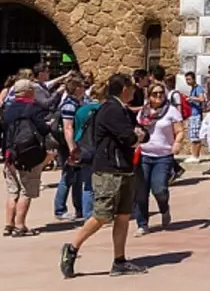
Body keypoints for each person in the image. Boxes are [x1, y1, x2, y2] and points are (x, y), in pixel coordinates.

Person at [61, 73, 149, 278]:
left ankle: (119, 260)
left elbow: (141, 133)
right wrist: (137, 135)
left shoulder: (122, 109)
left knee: (124, 216)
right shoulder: (111, 110)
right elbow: (129, 136)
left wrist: (139, 135)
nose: (135, 91)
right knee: (102, 215)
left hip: (124, 168)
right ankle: (72, 248)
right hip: (110, 170)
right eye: (132, 87)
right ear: (124, 89)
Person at [133, 82, 184, 235]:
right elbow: (137, 130)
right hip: (144, 155)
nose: (159, 96)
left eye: (161, 93)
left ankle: (164, 208)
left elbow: (180, 130)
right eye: (155, 94)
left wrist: (177, 143)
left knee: (159, 189)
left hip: (163, 156)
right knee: (141, 192)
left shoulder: (171, 111)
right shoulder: (143, 112)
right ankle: (142, 224)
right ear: (149, 96)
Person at [2, 78, 50, 237]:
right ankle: (20, 225)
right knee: (26, 191)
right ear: (29, 91)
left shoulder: (8, 109)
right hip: (28, 155)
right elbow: (43, 129)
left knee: (12, 191)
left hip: (10, 154)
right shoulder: (33, 108)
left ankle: (8, 224)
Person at [73, 78, 106, 228]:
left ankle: (87, 215)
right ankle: (99, 215)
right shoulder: (104, 110)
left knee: (87, 184)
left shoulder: (81, 110)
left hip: (84, 148)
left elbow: (77, 128)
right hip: (100, 149)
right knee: (101, 184)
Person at [54, 76, 87, 222]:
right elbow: (68, 128)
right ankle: (60, 209)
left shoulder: (76, 102)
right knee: (67, 177)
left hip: (75, 145)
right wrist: (72, 149)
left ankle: (79, 208)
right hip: (68, 146)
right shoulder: (69, 105)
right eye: (83, 86)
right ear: (77, 88)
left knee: (78, 178)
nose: (85, 89)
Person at [183, 71, 205, 163]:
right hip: (192, 114)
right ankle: (193, 154)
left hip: (196, 115)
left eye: (189, 79)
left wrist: (191, 98)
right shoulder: (192, 89)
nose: (187, 81)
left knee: (196, 136)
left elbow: (201, 99)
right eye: (186, 79)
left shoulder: (198, 88)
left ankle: (196, 156)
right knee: (192, 136)